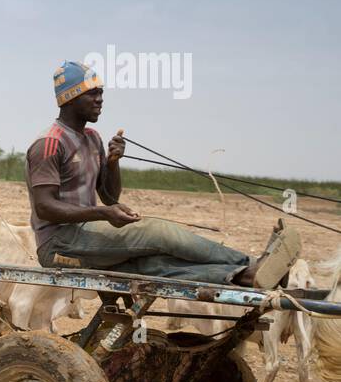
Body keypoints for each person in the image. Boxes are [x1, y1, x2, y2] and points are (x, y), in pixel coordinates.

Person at [25, 60, 299, 288]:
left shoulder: (92, 138)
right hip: (59, 245)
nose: (100, 99)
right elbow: (45, 207)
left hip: (85, 236)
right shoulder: (50, 143)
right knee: (159, 233)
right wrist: (103, 214)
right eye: (92, 93)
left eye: (101, 92)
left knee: (152, 266)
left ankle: (244, 277)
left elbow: (110, 197)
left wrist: (112, 163)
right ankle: (253, 263)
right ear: (70, 98)